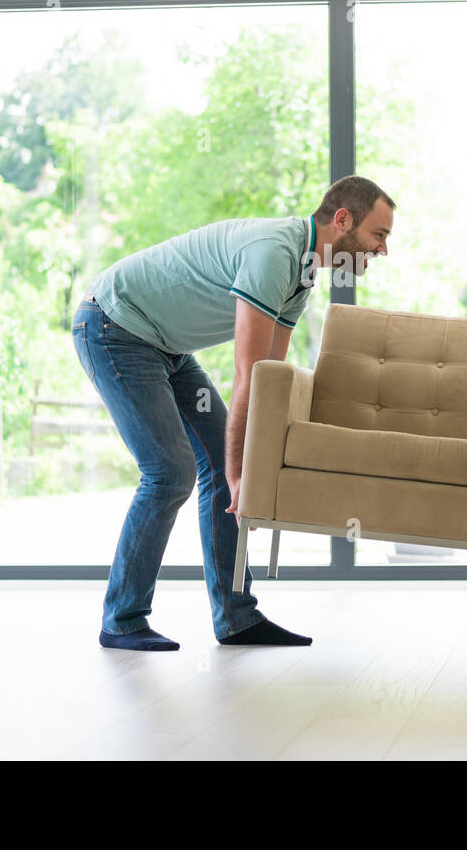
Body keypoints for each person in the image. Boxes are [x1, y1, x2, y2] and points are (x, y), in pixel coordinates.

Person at [72, 175, 395, 650]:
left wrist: (261, 470)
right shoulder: (274, 254)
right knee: (169, 472)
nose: (383, 250)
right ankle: (121, 619)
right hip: (114, 325)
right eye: (379, 235)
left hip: (166, 346)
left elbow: (270, 380)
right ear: (342, 220)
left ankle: (236, 617)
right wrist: (243, 471)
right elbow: (246, 375)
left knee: (227, 474)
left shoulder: (300, 278)